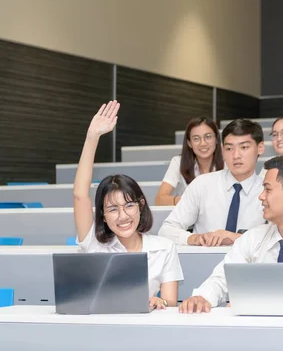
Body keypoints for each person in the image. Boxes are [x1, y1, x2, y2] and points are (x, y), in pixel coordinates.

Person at [179, 155, 283, 313]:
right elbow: (222, 279)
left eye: (267, 189)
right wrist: (202, 297)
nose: (261, 196)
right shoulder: (253, 238)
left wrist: (248, 302)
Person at [73, 100, 184, 310]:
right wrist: (92, 137)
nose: (123, 216)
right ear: (103, 216)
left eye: (128, 206)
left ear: (141, 205)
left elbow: (170, 301)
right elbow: (80, 195)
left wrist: (159, 301)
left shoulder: (164, 248)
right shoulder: (93, 245)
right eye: (113, 209)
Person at [159, 119, 266, 246]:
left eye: (244, 147)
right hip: (204, 261)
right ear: (222, 150)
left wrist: (237, 238)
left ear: (260, 148)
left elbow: (279, 237)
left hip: (249, 264)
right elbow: (166, 230)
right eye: (229, 148)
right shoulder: (202, 184)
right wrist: (195, 238)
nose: (236, 155)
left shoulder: (269, 190)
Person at [155, 117, 224, 206]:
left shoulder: (227, 163)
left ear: (216, 139)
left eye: (208, 137)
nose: (203, 143)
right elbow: (159, 199)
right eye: (196, 138)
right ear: (189, 143)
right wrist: (186, 200)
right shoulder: (178, 162)